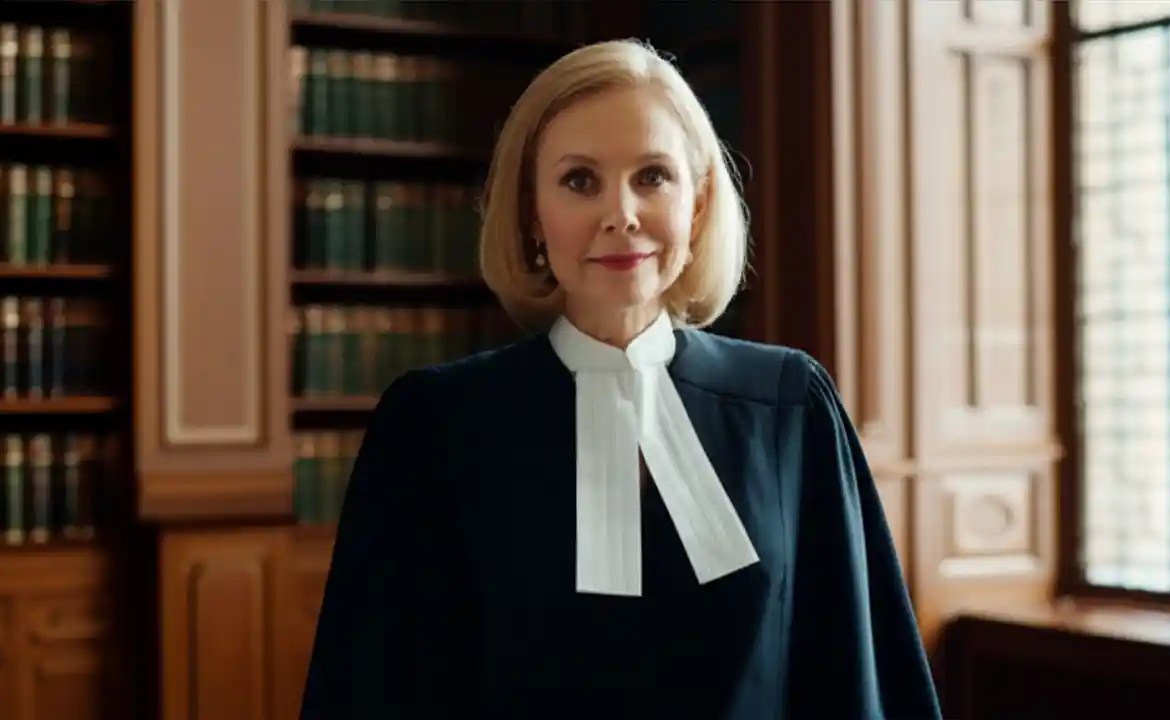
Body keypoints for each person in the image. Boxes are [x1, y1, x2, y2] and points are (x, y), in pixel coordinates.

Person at [300, 38, 941, 720]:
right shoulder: (435, 424)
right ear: (531, 214)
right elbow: (372, 692)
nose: (621, 214)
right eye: (580, 180)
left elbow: (853, 680)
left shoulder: (788, 406)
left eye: (652, 176)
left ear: (696, 208)